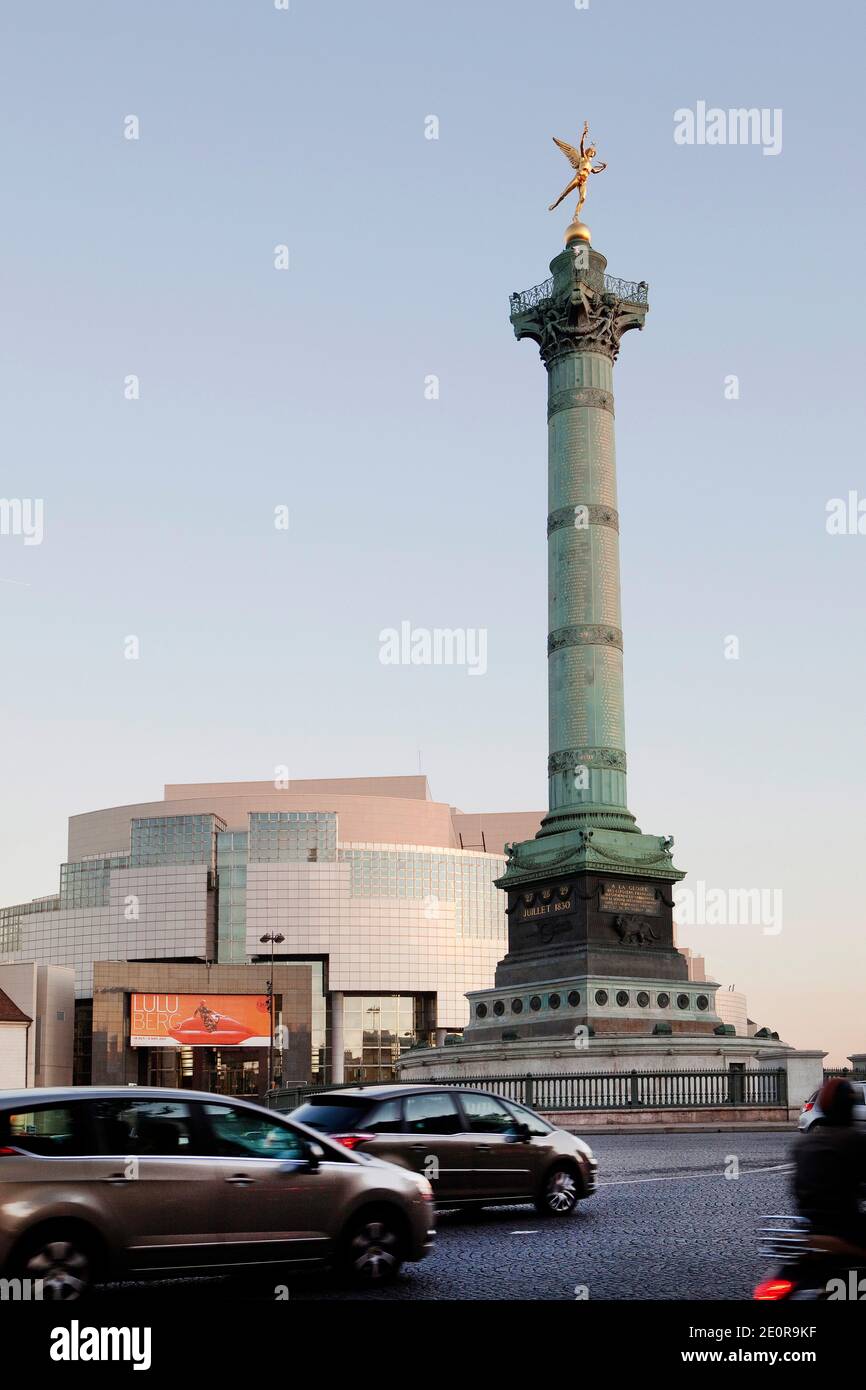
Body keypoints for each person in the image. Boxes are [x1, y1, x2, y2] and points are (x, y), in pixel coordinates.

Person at [794, 1077, 866, 1250]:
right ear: (849, 1107)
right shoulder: (854, 1140)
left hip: (808, 1225)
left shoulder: (803, 1144)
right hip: (844, 1227)